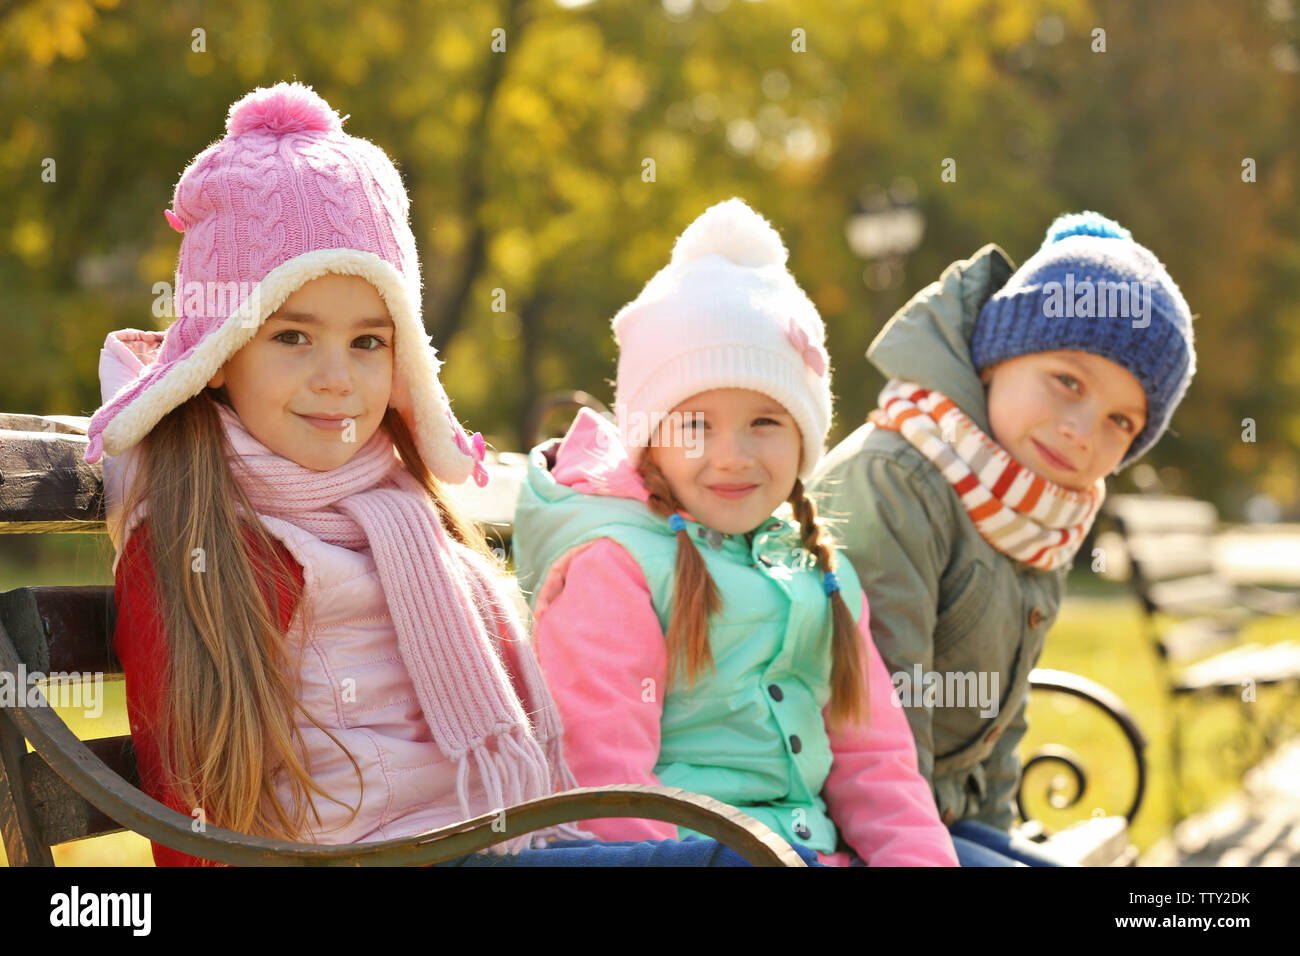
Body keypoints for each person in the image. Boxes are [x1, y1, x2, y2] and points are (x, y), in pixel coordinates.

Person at [87, 84, 790, 867]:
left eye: (368, 342)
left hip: (485, 845)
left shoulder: (398, 505)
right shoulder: (201, 541)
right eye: (291, 336)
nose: (336, 379)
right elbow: (189, 819)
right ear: (217, 357)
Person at [512, 198, 959, 866]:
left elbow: (876, 761)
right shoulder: (614, 563)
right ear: (651, 440)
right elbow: (608, 788)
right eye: (696, 425)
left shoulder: (818, 570)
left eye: (766, 422)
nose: (732, 456)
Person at [809, 212, 1196, 865]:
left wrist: (1000, 833)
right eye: (1068, 381)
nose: (1081, 431)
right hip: (844, 820)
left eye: (1120, 421)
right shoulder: (895, 481)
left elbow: (1003, 716)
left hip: (942, 813)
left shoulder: (1040, 511)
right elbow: (880, 714)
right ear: (998, 354)